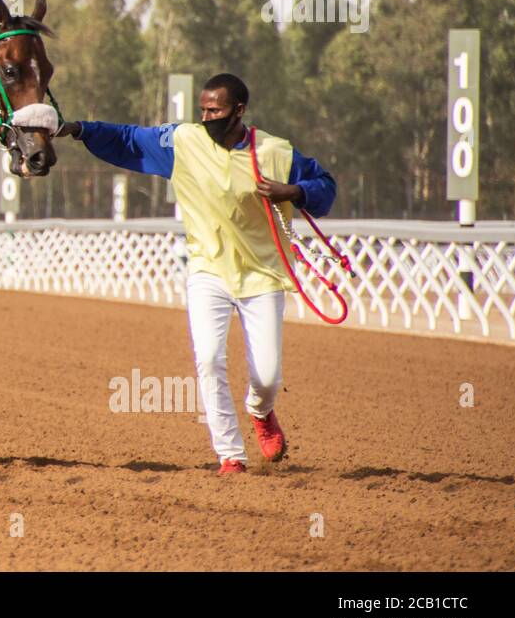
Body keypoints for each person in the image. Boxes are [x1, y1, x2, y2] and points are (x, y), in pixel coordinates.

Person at [59, 74, 336, 475]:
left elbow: (325, 186)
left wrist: (293, 192)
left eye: (215, 111)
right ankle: (230, 455)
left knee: (269, 376)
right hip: (208, 271)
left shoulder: (276, 152)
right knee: (208, 359)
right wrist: (78, 129)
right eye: (203, 110)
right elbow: (129, 140)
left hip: (262, 276)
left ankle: (261, 411)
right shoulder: (183, 143)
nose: (206, 117)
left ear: (238, 111)